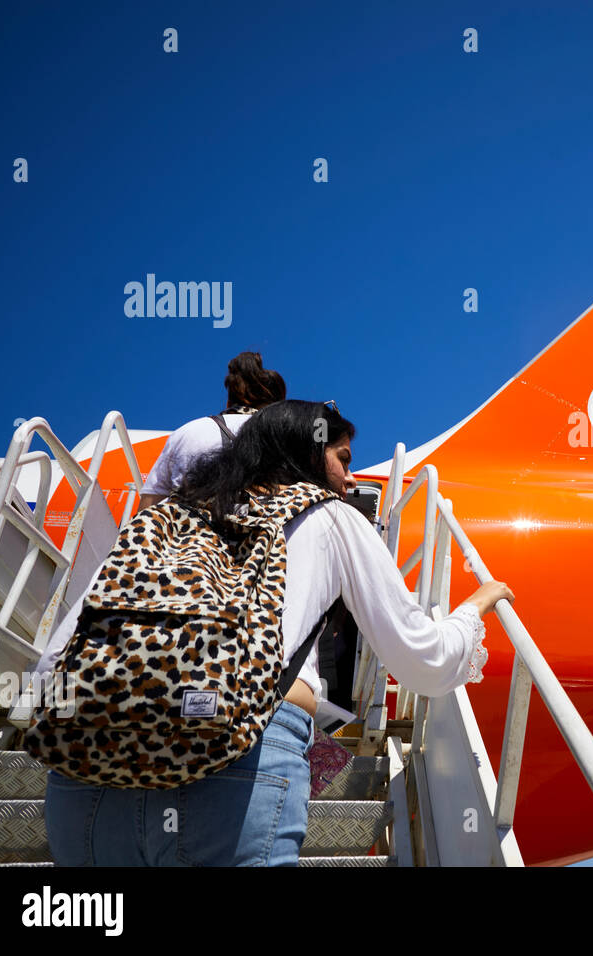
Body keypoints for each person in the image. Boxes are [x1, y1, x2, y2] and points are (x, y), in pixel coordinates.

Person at [36, 400, 513, 866]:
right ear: (306, 452)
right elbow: (423, 660)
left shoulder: (163, 518)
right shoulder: (329, 516)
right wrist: (474, 607)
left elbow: (55, 656)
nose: (351, 478)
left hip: (87, 770)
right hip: (238, 761)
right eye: (342, 459)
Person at [139, 351, 287, 510]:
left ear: (229, 401)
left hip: (192, 530)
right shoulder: (287, 438)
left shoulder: (188, 432)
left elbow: (148, 506)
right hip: (267, 532)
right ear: (277, 407)